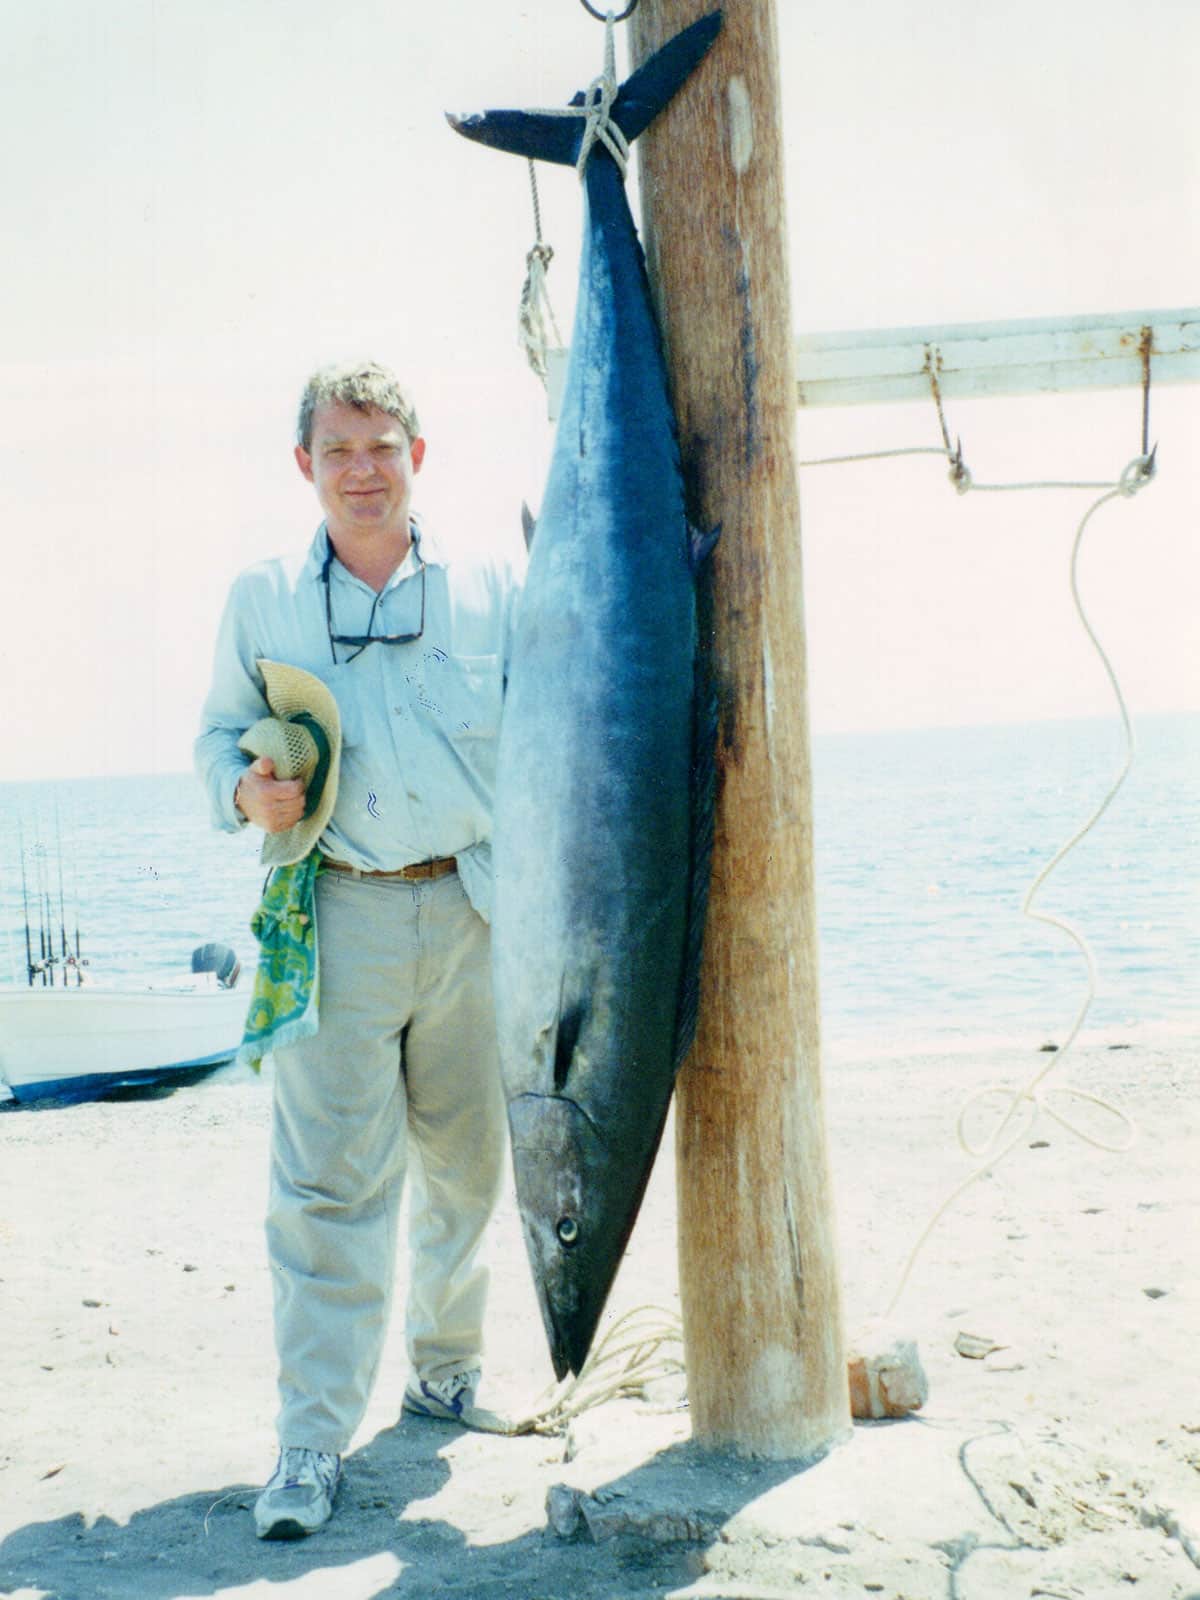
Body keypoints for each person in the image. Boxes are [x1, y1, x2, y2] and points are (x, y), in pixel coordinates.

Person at [195, 361, 524, 1540]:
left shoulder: (496, 582)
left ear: (418, 456)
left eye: (383, 445)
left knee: (469, 1166)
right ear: (306, 468)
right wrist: (244, 790)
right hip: (335, 914)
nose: (363, 469)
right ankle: (311, 1442)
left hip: (481, 910)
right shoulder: (264, 596)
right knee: (329, 1190)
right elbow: (215, 741)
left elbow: (555, 744)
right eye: (338, 450)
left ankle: (446, 1372)